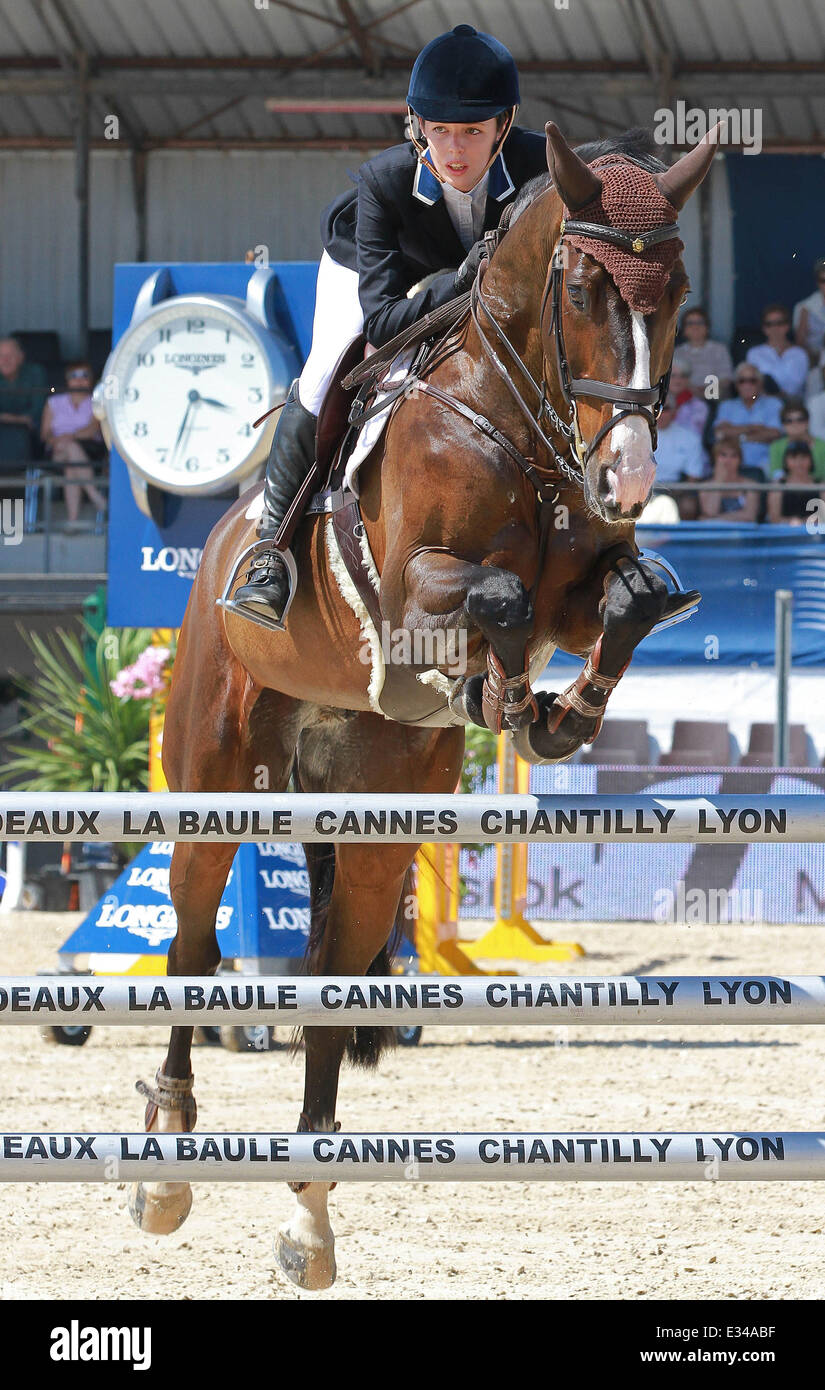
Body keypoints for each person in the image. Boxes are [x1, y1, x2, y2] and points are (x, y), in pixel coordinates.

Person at [232, 24, 548, 625]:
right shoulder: (382, 181)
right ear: (418, 124)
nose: (454, 151)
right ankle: (270, 553)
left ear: (504, 126)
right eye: (440, 132)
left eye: (473, 133)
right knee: (327, 369)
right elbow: (380, 317)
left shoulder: (539, 167)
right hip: (373, 271)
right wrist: (458, 283)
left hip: (471, 283)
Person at [40, 362, 107, 530]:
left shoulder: (96, 401)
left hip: (89, 449)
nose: (79, 381)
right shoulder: (54, 401)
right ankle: (94, 495)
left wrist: (69, 437)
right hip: (57, 450)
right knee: (69, 451)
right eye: (74, 376)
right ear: (67, 380)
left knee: (72, 464)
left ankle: (73, 520)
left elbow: (93, 429)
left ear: (91, 380)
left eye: (84, 376)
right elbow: (45, 433)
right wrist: (57, 441)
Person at [714, 363, 783, 476]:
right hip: (731, 464)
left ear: (760, 383)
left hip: (764, 463)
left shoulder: (774, 404)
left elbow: (774, 434)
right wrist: (752, 428)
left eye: (752, 380)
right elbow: (720, 433)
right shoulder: (726, 406)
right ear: (736, 384)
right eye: (742, 381)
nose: (747, 385)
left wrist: (738, 435)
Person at [652, 394, 707, 519]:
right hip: (643, 488)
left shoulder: (690, 437)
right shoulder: (638, 434)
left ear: (675, 411)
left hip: (676, 489)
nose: (660, 413)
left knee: (688, 506)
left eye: (665, 409)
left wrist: (673, 493)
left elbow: (694, 476)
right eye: (656, 408)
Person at [745, 303, 808, 401]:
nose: (775, 328)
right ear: (764, 329)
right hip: (763, 404)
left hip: (793, 405)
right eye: (769, 324)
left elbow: (796, 386)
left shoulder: (799, 354)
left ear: (787, 326)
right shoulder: (754, 353)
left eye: (779, 323)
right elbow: (753, 383)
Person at [0, 336, 47, 467]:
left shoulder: (36, 373)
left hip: (31, 438)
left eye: (10, 355)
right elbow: (25, 419)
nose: (5, 360)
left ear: (21, 357)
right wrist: (19, 420)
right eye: (1, 356)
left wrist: (6, 418)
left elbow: (37, 411)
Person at [672, 306, 733, 401]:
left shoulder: (719, 349)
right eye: (690, 323)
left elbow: (726, 379)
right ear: (684, 329)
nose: (695, 326)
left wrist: (705, 391)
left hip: (714, 397)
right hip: (684, 398)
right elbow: (674, 380)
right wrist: (693, 390)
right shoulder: (677, 352)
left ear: (707, 327)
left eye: (700, 322)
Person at [698, 439, 759, 523]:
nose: (728, 460)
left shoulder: (751, 485)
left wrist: (715, 519)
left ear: (740, 460)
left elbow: (749, 516)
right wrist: (718, 482)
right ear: (715, 458)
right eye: (723, 455)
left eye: (734, 456)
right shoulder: (705, 486)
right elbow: (711, 512)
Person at [766, 440, 825, 525]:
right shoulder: (777, 486)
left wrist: (804, 523)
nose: (799, 463)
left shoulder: (821, 485)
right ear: (786, 461)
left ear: (811, 460)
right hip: (784, 534)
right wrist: (792, 523)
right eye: (793, 457)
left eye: (803, 457)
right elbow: (774, 519)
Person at [767, 399, 825, 481]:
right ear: (782, 425)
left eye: (800, 419)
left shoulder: (823, 446)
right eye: (789, 421)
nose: (795, 424)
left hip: (818, 489)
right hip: (786, 489)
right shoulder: (776, 447)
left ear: (808, 421)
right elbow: (775, 474)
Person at [793, 258, 825, 379]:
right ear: (817, 282)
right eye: (824, 281)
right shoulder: (805, 307)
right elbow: (800, 343)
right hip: (813, 362)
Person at [670, 361, 708, 436]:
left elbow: (693, 433)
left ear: (688, 380)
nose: (678, 381)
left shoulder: (699, 406)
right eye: (673, 376)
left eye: (683, 376)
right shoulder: (655, 402)